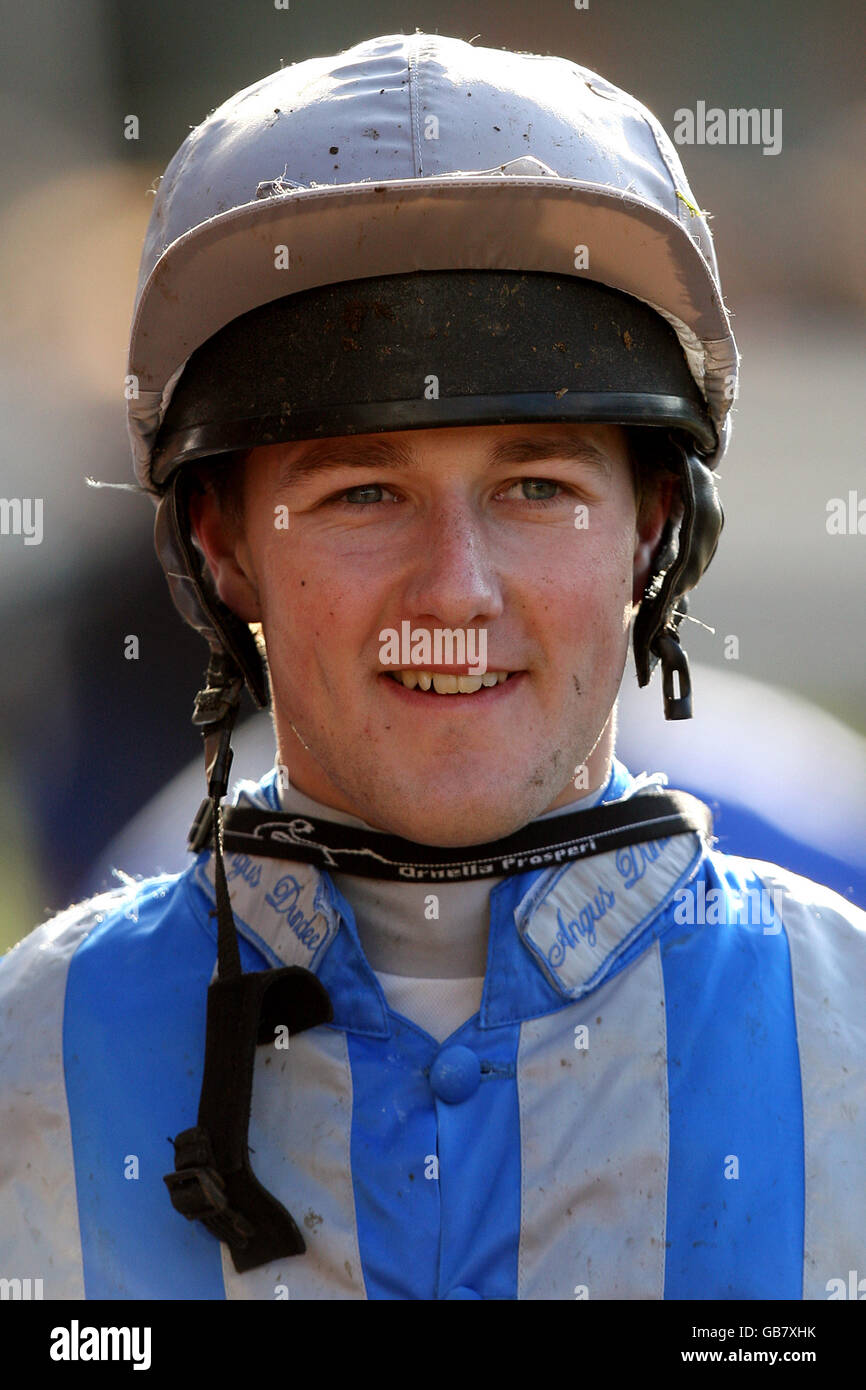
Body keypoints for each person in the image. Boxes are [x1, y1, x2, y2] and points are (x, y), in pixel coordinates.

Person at [1, 31, 863, 1302]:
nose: (454, 587)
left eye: (534, 486)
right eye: (361, 492)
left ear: (656, 531)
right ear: (219, 545)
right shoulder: (26, 1058)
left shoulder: (846, 1040)